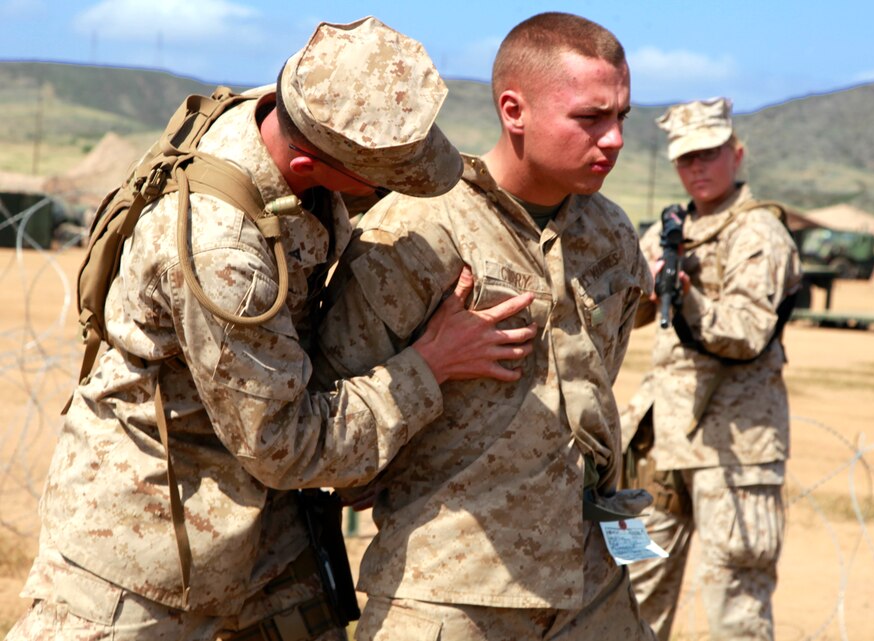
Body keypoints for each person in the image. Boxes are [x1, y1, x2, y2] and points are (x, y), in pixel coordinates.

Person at [6, 17, 538, 641]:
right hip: (146, 544)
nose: (389, 196)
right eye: (380, 184)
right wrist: (431, 365)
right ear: (312, 162)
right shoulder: (223, 254)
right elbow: (285, 446)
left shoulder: (289, 110)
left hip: (267, 543)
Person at [313, 12, 657, 641]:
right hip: (452, 589)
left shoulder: (610, 235)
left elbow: (597, 389)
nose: (613, 140)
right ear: (513, 110)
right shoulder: (418, 232)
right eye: (590, 118)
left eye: (621, 117)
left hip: (593, 578)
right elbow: (331, 408)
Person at [622, 97, 802, 640]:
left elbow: (747, 333)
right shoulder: (666, 232)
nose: (696, 167)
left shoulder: (759, 235)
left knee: (735, 607)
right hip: (660, 441)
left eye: (708, 153)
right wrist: (647, 286)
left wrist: (688, 297)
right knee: (629, 592)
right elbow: (629, 316)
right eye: (685, 158)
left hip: (734, 446)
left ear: (736, 154)